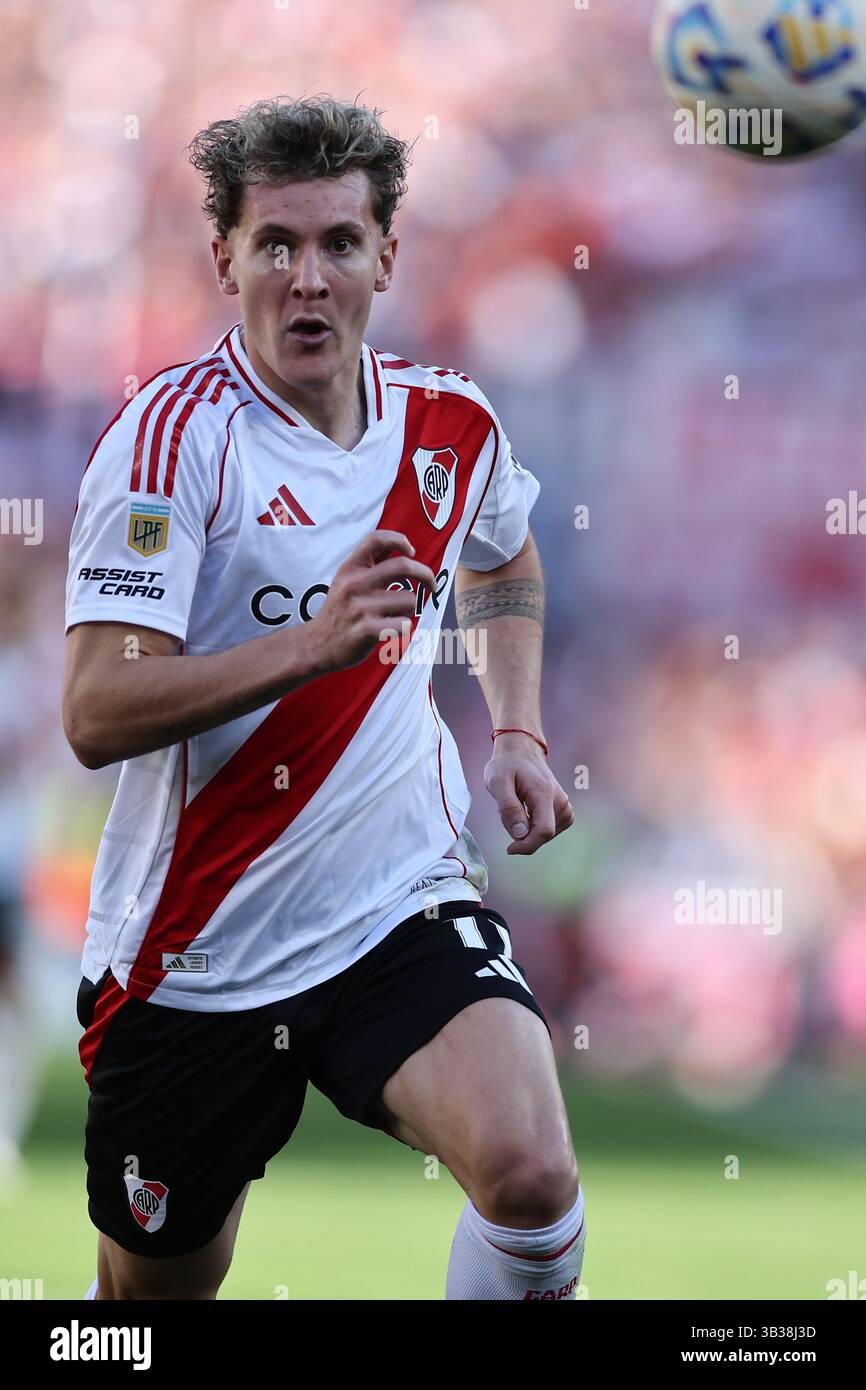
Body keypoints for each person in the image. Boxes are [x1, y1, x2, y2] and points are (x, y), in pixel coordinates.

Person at [63, 94, 583, 1301]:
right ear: (225, 260)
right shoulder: (170, 442)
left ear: (385, 258)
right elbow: (95, 707)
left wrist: (514, 727)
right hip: (195, 950)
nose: (308, 278)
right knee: (146, 1309)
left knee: (531, 1176)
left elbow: (502, 556)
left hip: (390, 903)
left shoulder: (452, 422)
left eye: (339, 244)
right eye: (277, 245)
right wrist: (311, 646)